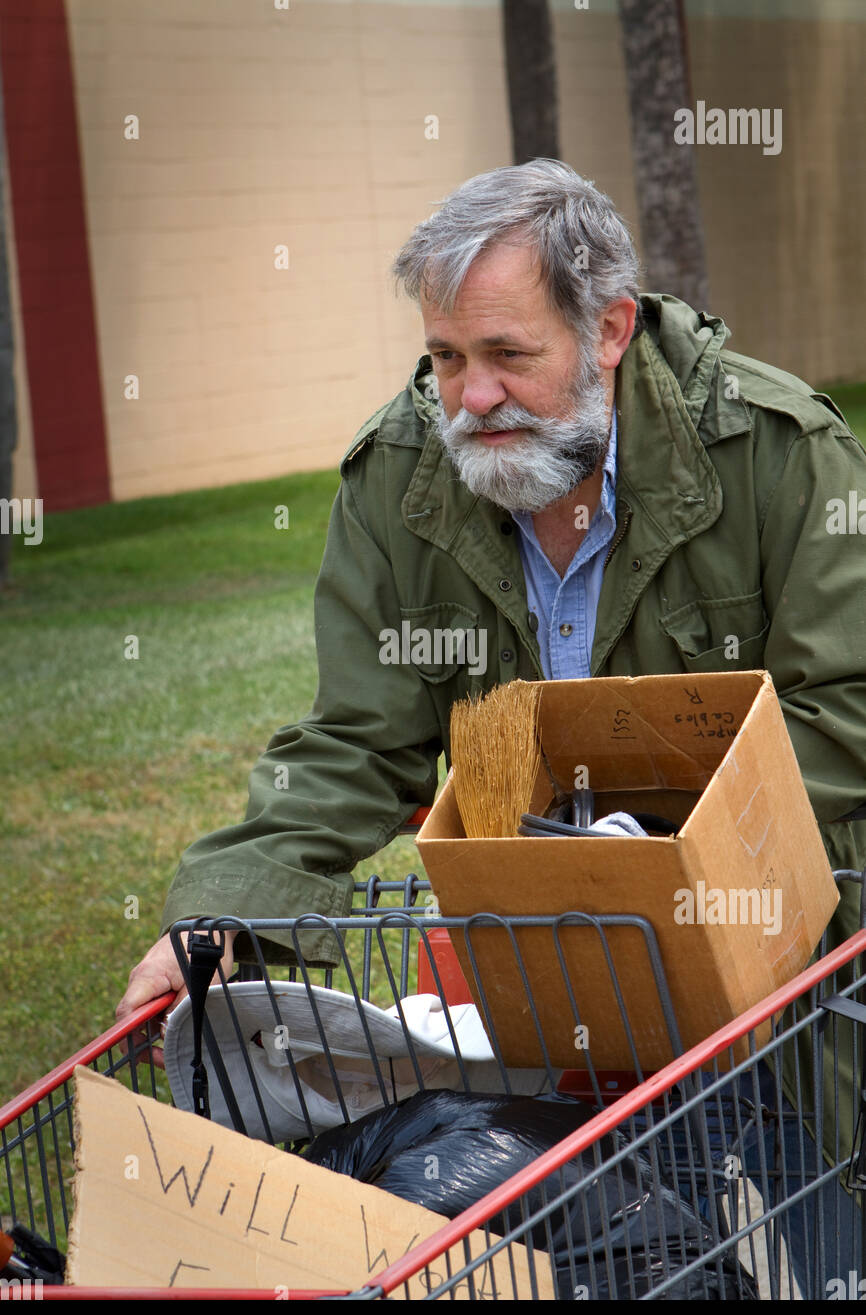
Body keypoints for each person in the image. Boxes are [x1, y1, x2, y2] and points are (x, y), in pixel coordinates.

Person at [117, 158, 866, 1049]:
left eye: (508, 354)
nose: (472, 398)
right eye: (446, 356)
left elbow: (847, 705)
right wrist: (222, 908)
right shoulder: (399, 473)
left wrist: (656, 845)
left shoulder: (780, 452)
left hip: (778, 967)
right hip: (531, 966)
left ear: (610, 330)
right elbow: (360, 737)